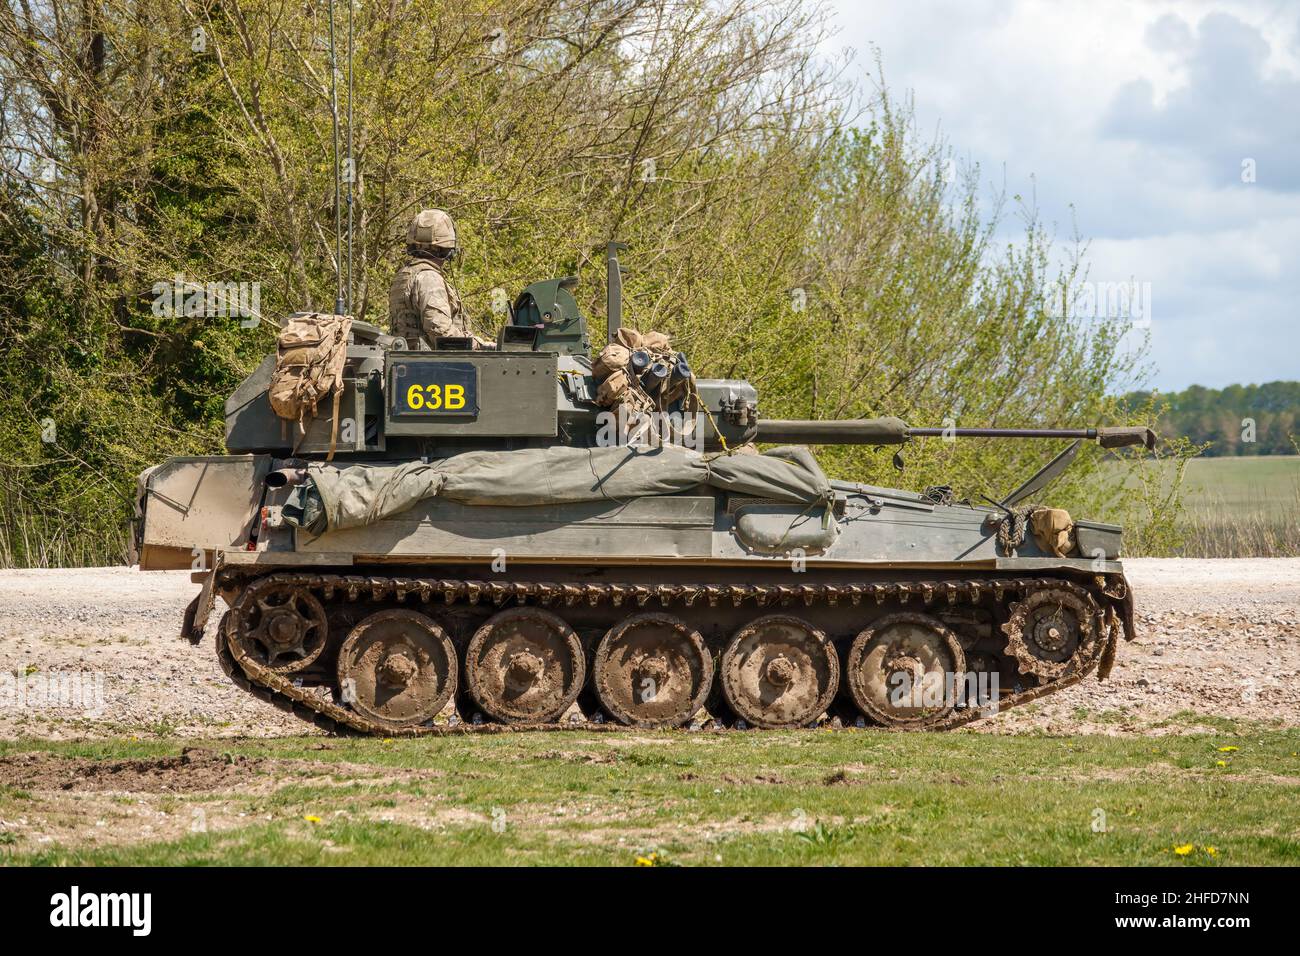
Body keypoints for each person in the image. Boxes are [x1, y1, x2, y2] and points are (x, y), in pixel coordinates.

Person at [388, 208, 484, 348]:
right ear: (448, 248)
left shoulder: (404, 275)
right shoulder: (429, 278)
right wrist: (478, 344)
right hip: (431, 365)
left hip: (410, 362)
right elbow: (442, 334)